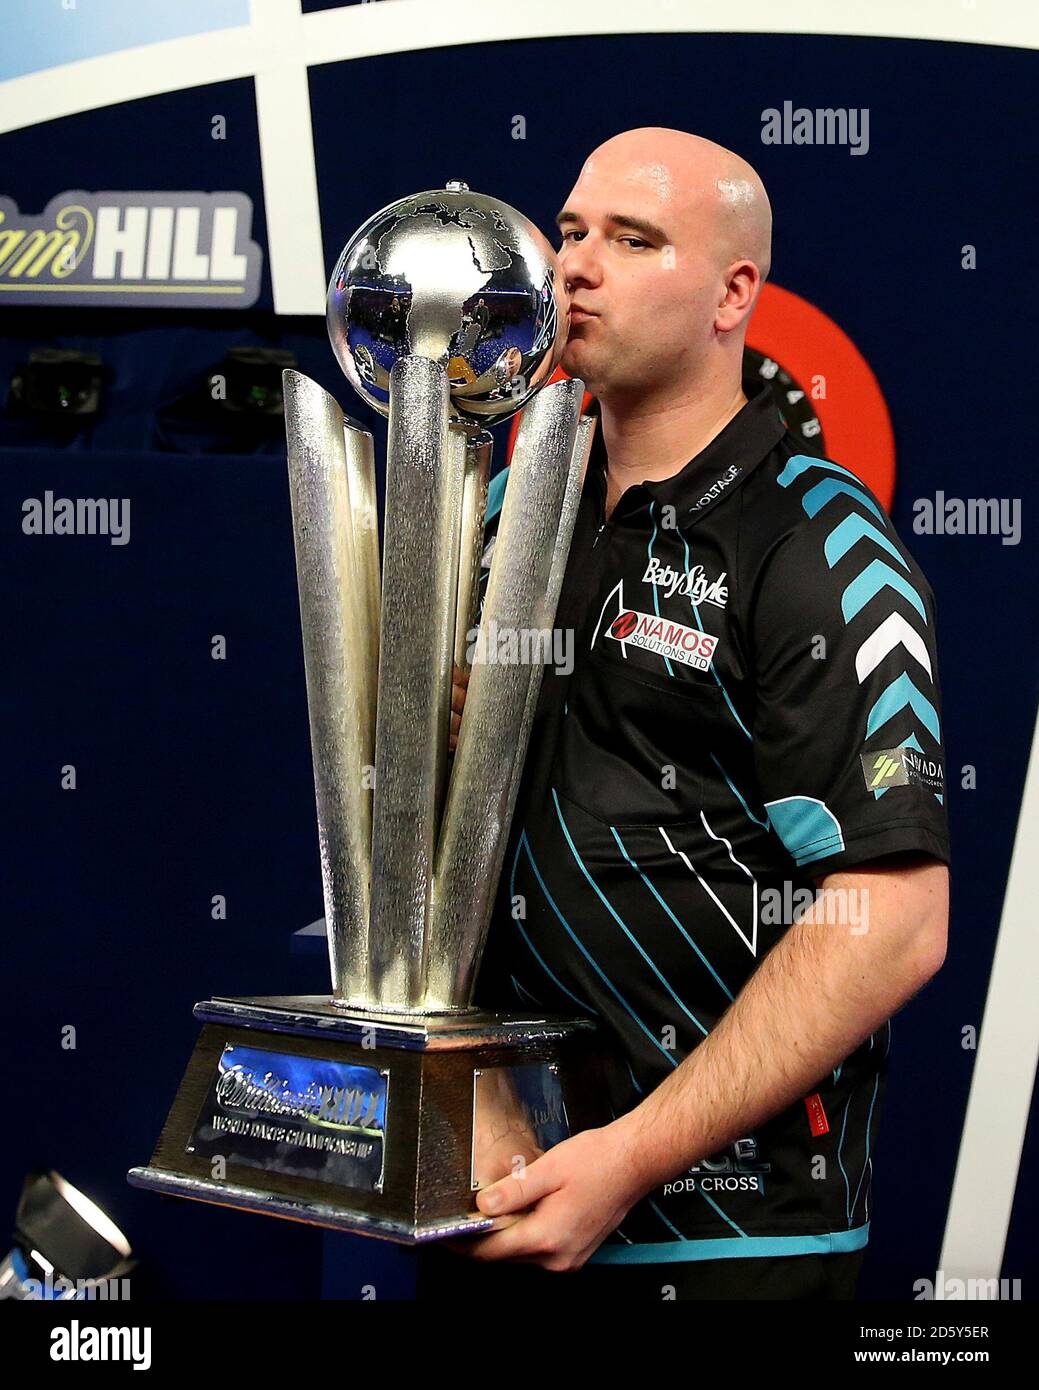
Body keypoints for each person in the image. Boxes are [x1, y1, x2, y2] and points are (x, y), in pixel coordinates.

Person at [420, 127, 950, 1301]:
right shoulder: (509, 510)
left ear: (733, 293)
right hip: (494, 1194)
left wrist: (629, 1158)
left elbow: (894, 919)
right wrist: (474, 1093)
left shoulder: (818, 544)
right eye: (568, 231)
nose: (574, 265)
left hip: (727, 1240)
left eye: (632, 237)